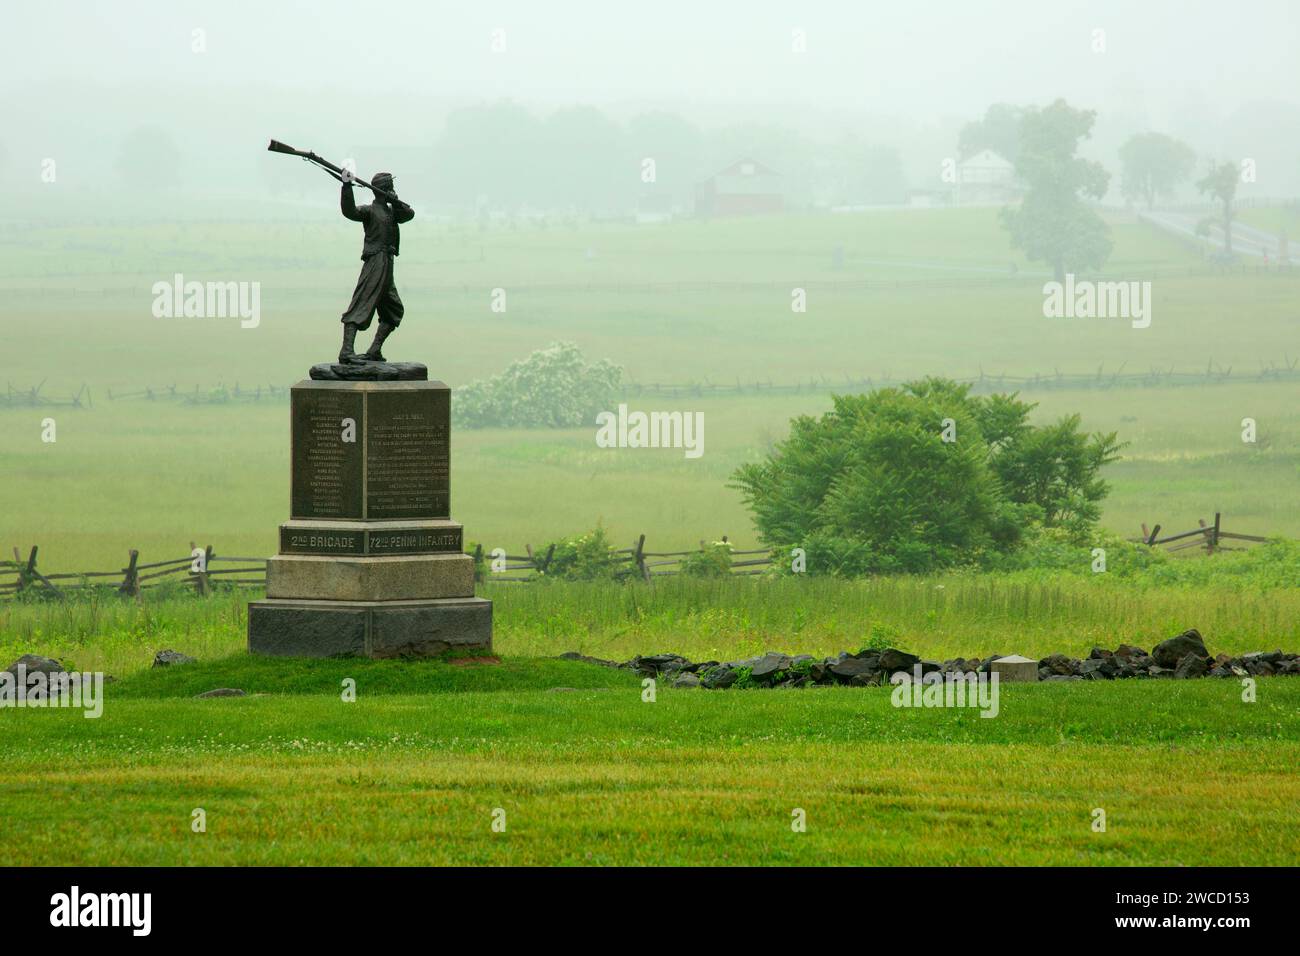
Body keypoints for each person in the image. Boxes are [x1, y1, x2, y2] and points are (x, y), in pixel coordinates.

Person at [338, 172, 414, 363]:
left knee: (394, 309)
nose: (393, 189)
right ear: (385, 188)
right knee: (362, 303)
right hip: (375, 261)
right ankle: (346, 351)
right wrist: (346, 187)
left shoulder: (392, 211)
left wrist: (395, 202)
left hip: (388, 263)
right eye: (390, 186)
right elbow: (350, 212)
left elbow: (409, 214)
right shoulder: (369, 211)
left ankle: (374, 350)